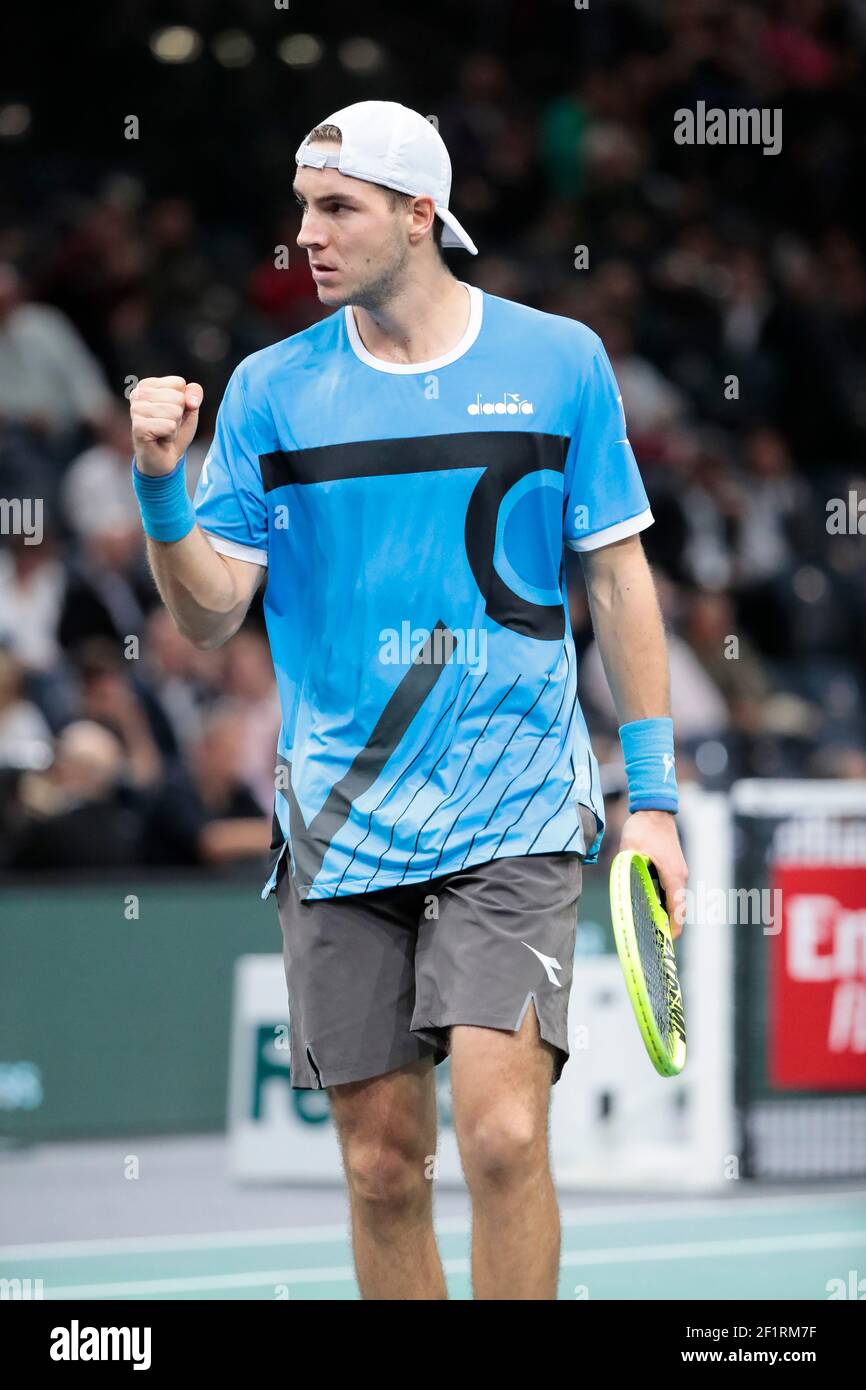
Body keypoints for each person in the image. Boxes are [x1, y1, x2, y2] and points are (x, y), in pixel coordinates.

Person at [129, 100, 688, 1300]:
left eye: (336, 209)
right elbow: (208, 611)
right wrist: (163, 493)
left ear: (417, 213)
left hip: (517, 804)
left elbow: (615, 574)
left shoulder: (556, 361)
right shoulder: (272, 389)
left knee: (500, 1134)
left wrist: (652, 799)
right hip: (340, 818)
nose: (307, 237)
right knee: (384, 1166)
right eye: (301, 210)